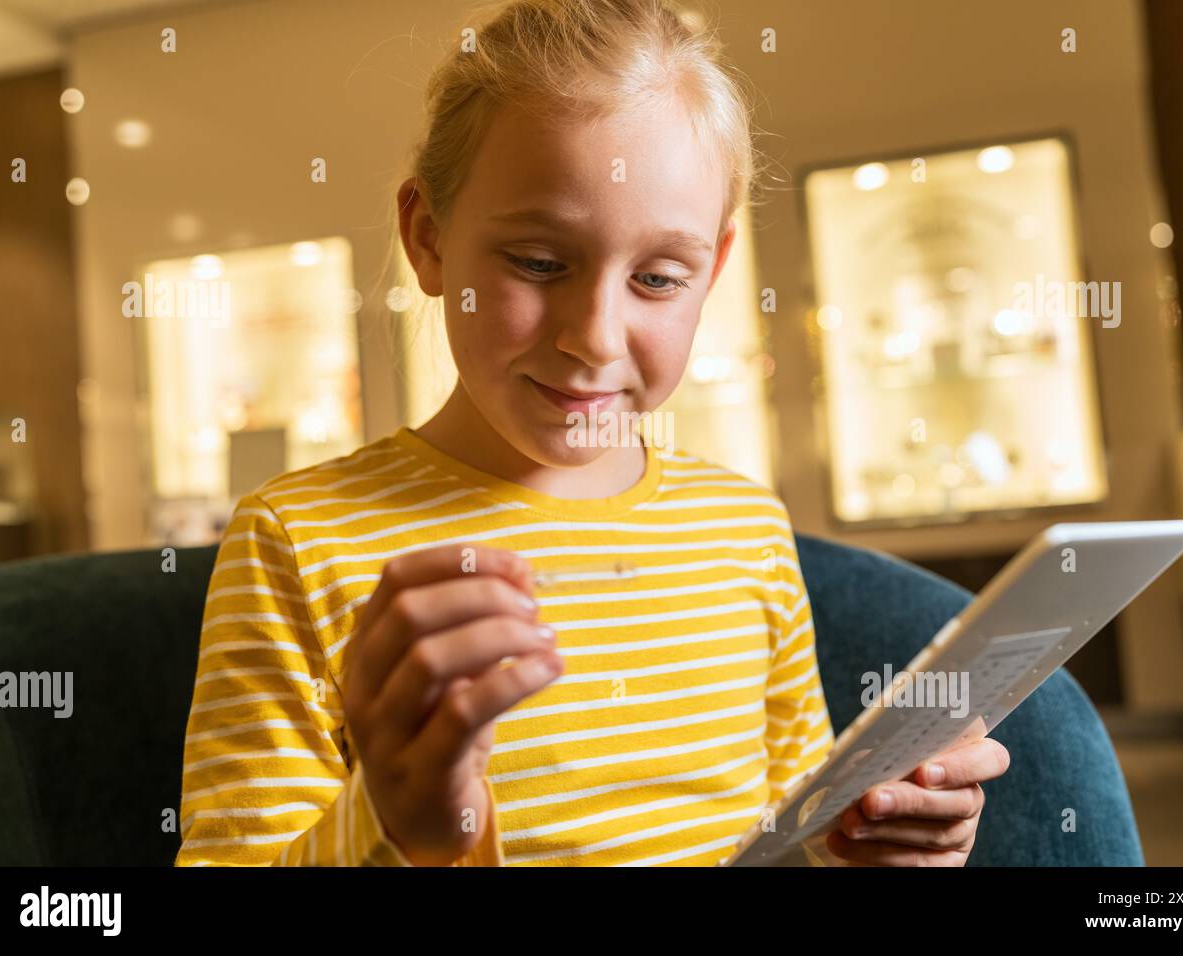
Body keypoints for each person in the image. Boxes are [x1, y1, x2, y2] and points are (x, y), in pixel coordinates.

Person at [175, 0, 1008, 868]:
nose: (596, 337)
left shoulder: (744, 527)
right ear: (428, 238)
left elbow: (788, 842)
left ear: (712, 272)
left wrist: (862, 849)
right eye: (539, 264)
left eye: (656, 278)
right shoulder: (296, 540)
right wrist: (398, 826)